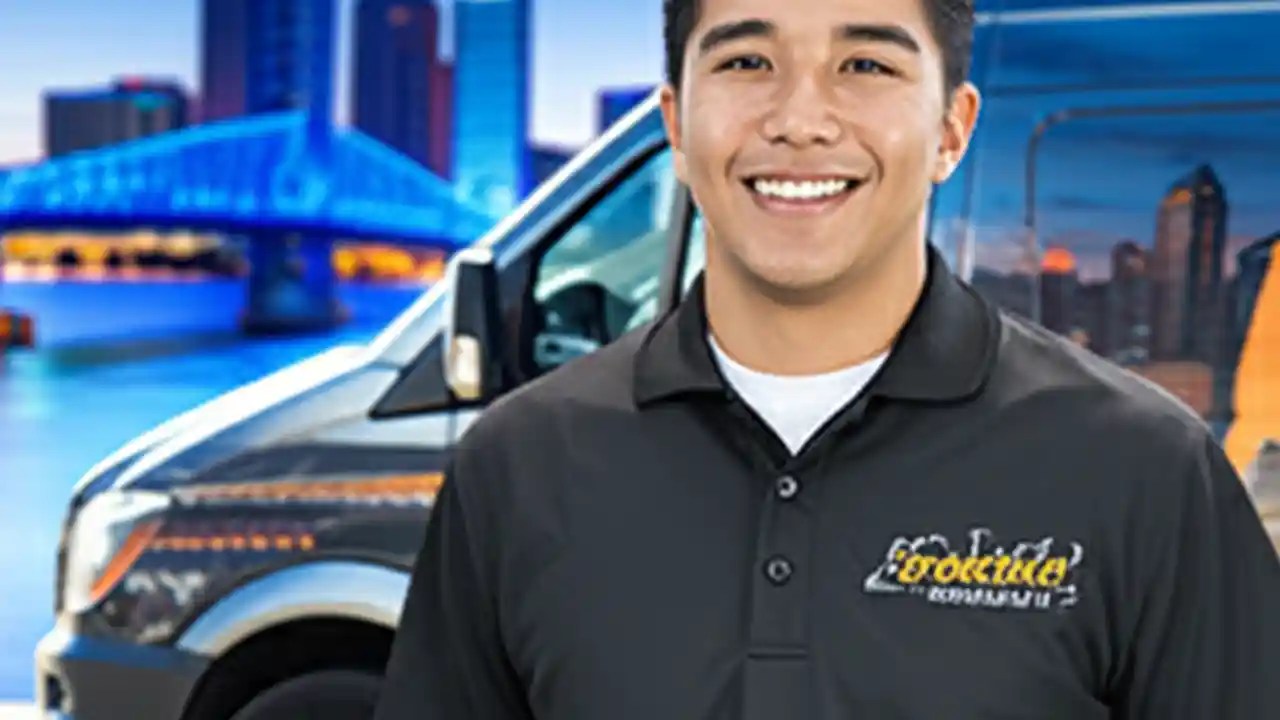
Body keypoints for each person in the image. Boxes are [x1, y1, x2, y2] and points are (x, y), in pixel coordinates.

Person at [373, 0, 1280, 717]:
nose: (801, 119)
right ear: (676, 124)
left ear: (952, 131)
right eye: (746, 61)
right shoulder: (518, 465)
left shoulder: (1148, 472)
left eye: (866, 64)